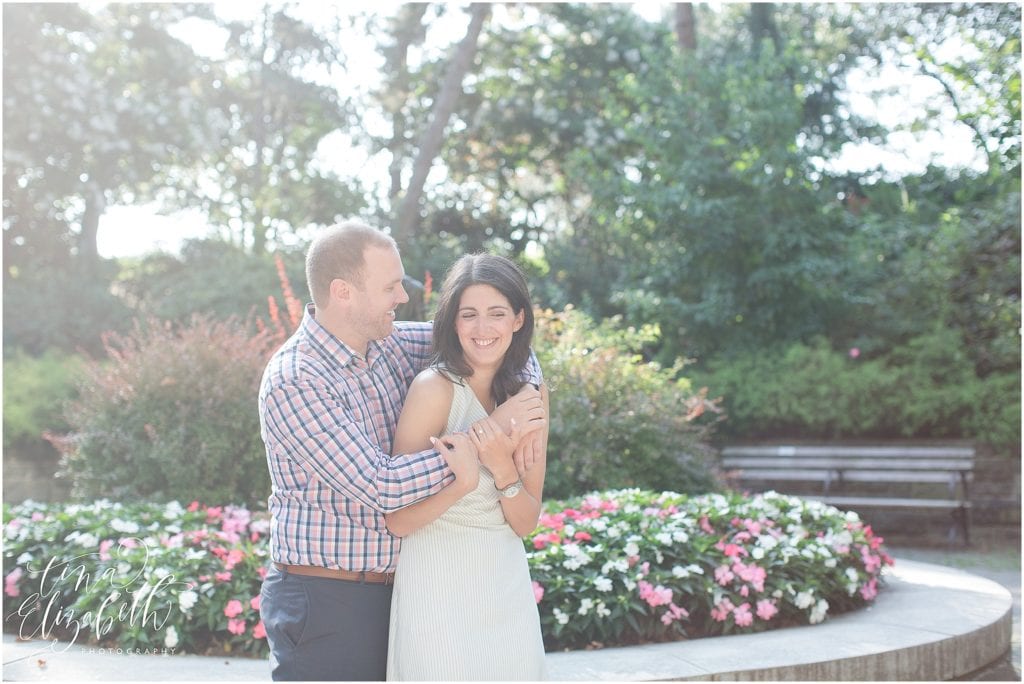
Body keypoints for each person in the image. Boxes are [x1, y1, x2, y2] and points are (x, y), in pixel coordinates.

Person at [257, 221, 545, 681]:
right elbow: (383, 485)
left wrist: (526, 390)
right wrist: (489, 435)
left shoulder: (391, 342)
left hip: (412, 591)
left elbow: (492, 341)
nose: (402, 297)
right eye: (390, 286)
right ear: (343, 292)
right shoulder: (296, 379)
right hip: (330, 600)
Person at [385, 254, 549, 681]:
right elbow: (398, 520)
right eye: (469, 315)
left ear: (518, 319)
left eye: (497, 314)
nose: (482, 329)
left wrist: (503, 468)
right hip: (437, 587)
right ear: (452, 321)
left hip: (504, 586)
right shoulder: (434, 390)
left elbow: (526, 521)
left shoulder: (531, 397)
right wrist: (464, 482)